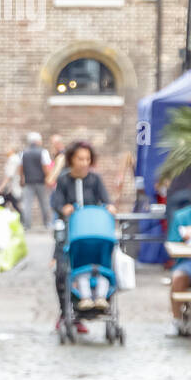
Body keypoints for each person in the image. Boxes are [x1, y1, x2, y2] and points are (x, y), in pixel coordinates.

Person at [50, 140, 115, 323]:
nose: (84, 163)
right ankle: (67, 310)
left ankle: (99, 302)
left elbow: (105, 200)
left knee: (100, 266)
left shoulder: (95, 180)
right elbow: (57, 203)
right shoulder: (64, 180)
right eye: (80, 159)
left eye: (87, 159)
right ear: (72, 160)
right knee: (62, 271)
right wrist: (64, 209)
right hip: (70, 233)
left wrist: (109, 207)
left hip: (93, 231)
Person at [166, 178, 191, 336]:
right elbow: (171, 243)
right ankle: (176, 319)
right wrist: (186, 237)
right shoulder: (181, 216)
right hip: (188, 262)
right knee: (177, 278)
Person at [19, 132, 53, 228]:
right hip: (41, 181)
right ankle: (47, 223)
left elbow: (20, 167)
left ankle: (27, 224)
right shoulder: (43, 152)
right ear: (38, 141)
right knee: (44, 203)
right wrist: (49, 179)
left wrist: (22, 178)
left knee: (27, 204)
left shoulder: (23, 153)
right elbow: (46, 167)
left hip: (28, 181)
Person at [0, 145, 23, 218]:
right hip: (13, 186)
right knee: (13, 203)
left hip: (13, 186)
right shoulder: (15, 158)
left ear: (12, 150)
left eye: (7, 148)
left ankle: (24, 219)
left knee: (11, 203)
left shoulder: (13, 159)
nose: (4, 150)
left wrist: (1, 187)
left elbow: (9, 175)